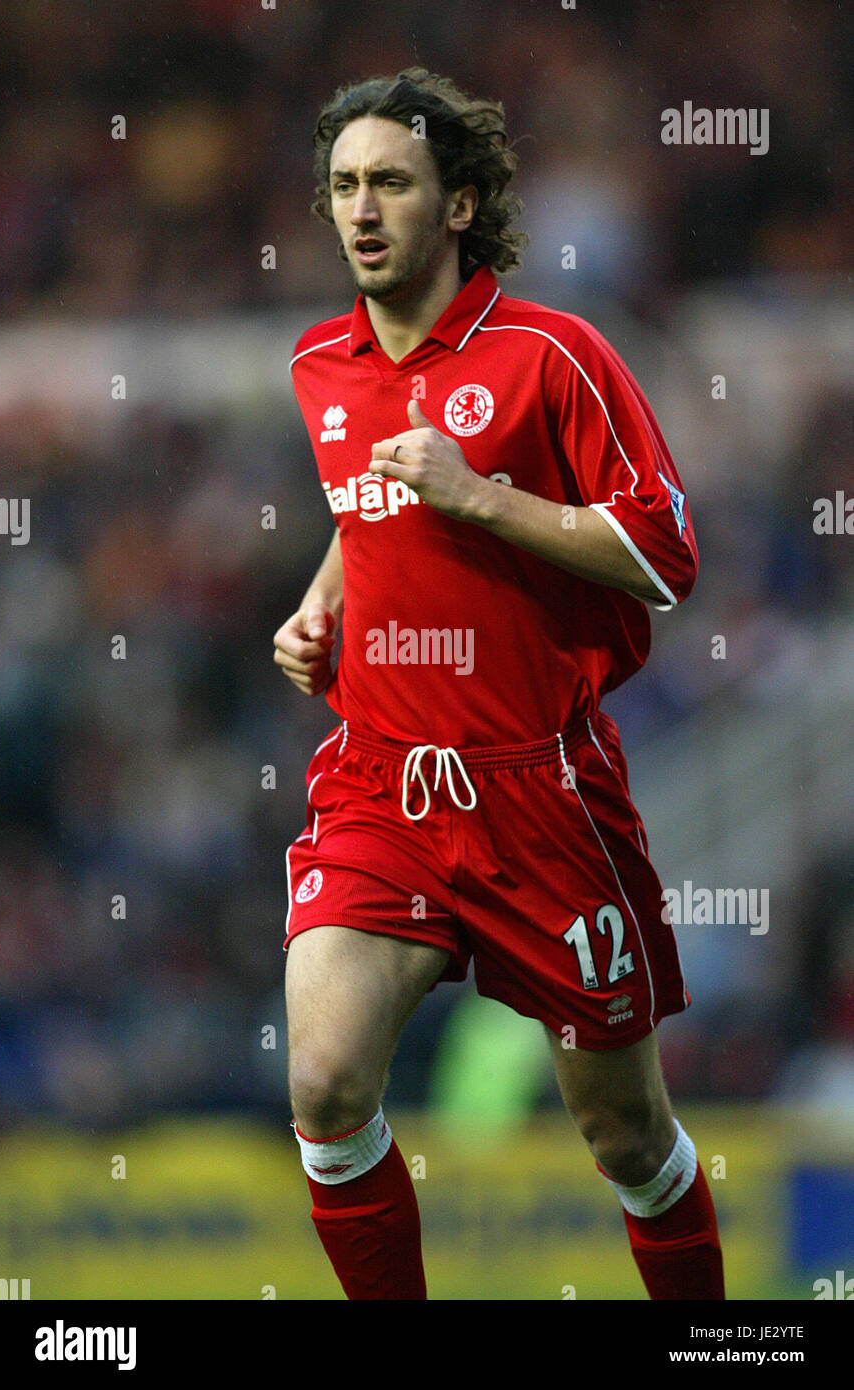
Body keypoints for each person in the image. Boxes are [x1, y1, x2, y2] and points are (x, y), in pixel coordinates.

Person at [273, 67, 724, 1301]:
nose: (361, 210)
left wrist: (480, 493)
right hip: (381, 783)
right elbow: (369, 509)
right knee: (321, 1084)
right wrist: (323, 604)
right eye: (343, 187)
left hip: (542, 793)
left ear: (458, 203)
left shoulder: (553, 355)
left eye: (392, 184)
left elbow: (663, 552)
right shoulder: (321, 362)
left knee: (625, 1138)